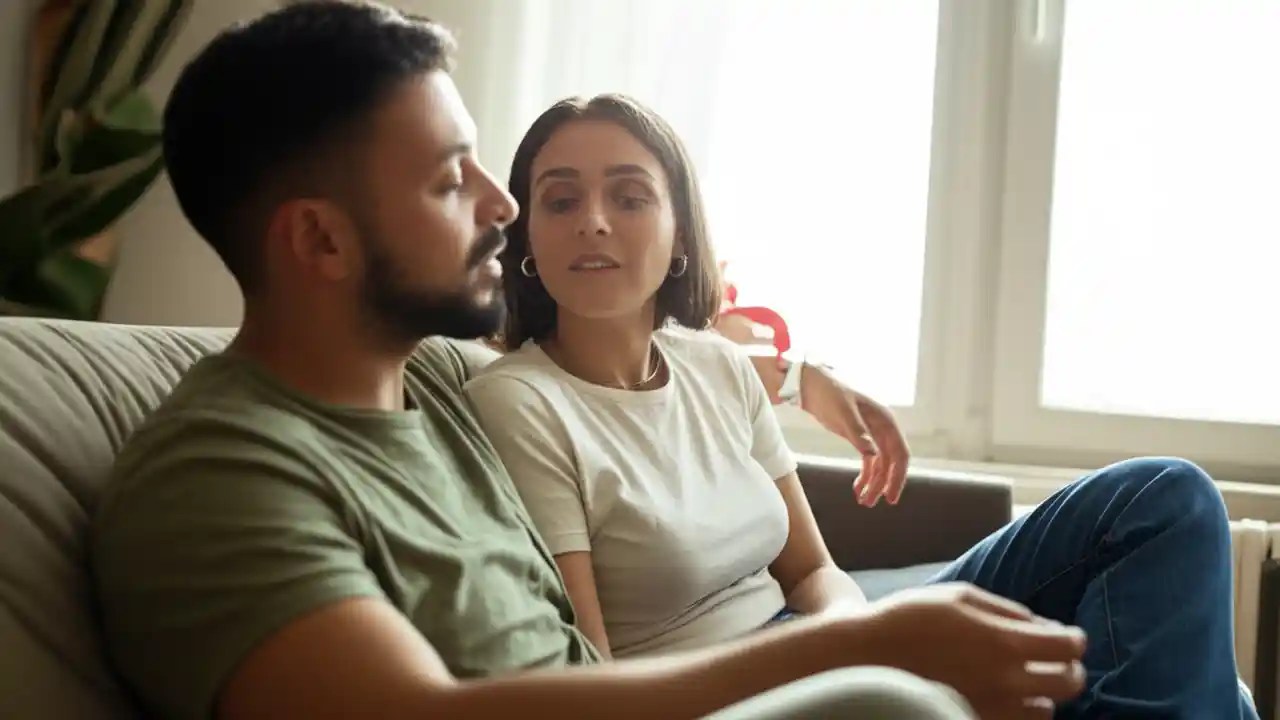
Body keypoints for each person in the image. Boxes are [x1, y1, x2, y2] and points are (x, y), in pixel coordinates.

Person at [89, 3, 1092, 719]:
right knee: (888, 704)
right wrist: (856, 641)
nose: (505, 205)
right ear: (320, 244)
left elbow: (650, 360)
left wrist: (793, 376)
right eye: (452, 180)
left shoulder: (425, 385)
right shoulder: (221, 479)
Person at [464, 91, 1258, 718]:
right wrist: (848, 662)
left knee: (1163, 497)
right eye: (560, 201)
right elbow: (594, 679)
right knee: (1200, 684)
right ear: (527, 239)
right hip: (742, 697)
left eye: (630, 197)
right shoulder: (521, 404)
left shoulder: (715, 366)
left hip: (823, 646)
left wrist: (856, 637)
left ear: (678, 235)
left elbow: (813, 570)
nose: (593, 221)